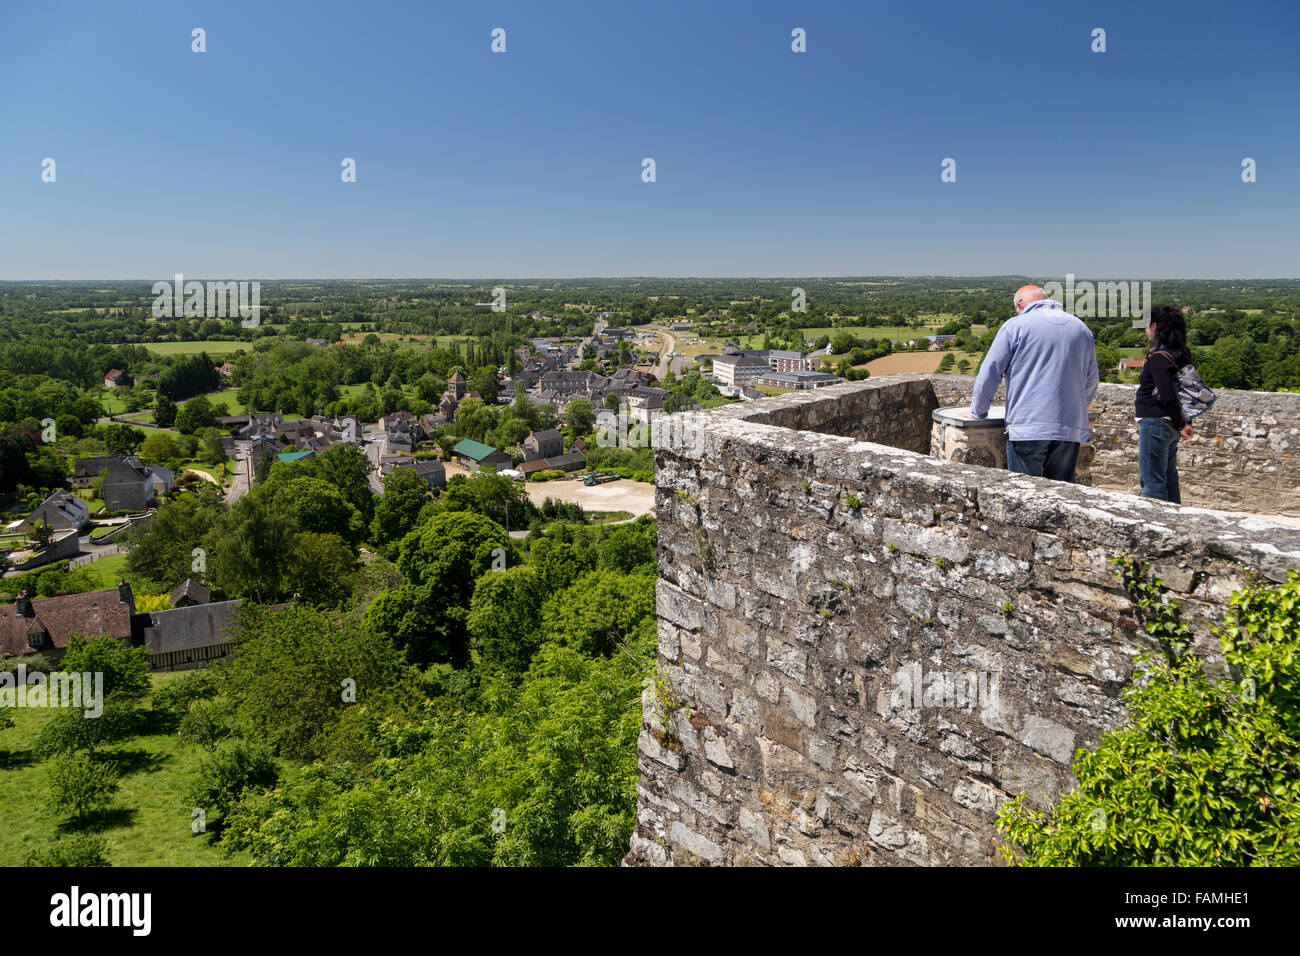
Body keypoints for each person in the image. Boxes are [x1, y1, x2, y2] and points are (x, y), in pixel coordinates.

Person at [970, 285, 1099, 481]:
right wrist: (1077, 409)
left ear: (1020, 305)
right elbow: (1091, 380)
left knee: (1022, 495)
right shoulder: (1081, 329)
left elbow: (990, 373)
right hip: (1070, 426)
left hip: (1028, 425)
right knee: (1062, 497)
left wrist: (978, 413)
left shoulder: (1015, 326)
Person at [1135, 304, 1194, 503]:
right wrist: (1182, 423)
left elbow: (1166, 395)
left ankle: (1156, 528)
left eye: (1148, 325)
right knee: (1169, 480)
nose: (1146, 330)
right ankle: (1174, 524)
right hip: (1169, 425)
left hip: (1155, 423)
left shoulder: (1159, 357)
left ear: (1157, 326)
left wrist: (1180, 424)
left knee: (1152, 483)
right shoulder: (1178, 354)